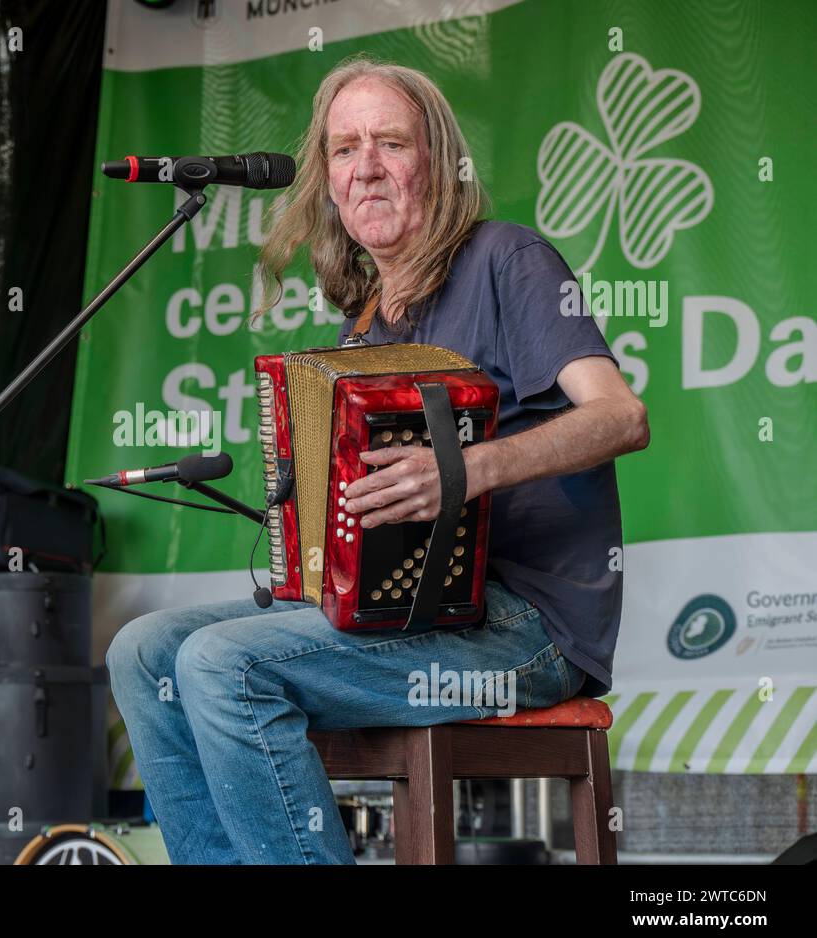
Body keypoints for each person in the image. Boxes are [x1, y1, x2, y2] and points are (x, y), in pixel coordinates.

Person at [106, 56, 649, 865]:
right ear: (326, 179)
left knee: (223, 663)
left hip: (524, 627)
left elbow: (620, 415)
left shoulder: (508, 259)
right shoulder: (367, 326)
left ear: (438, 157)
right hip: (408, 613)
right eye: (344, 148)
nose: (365, 168)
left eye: (390, 143)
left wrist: (461, 471)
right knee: (142, 651)